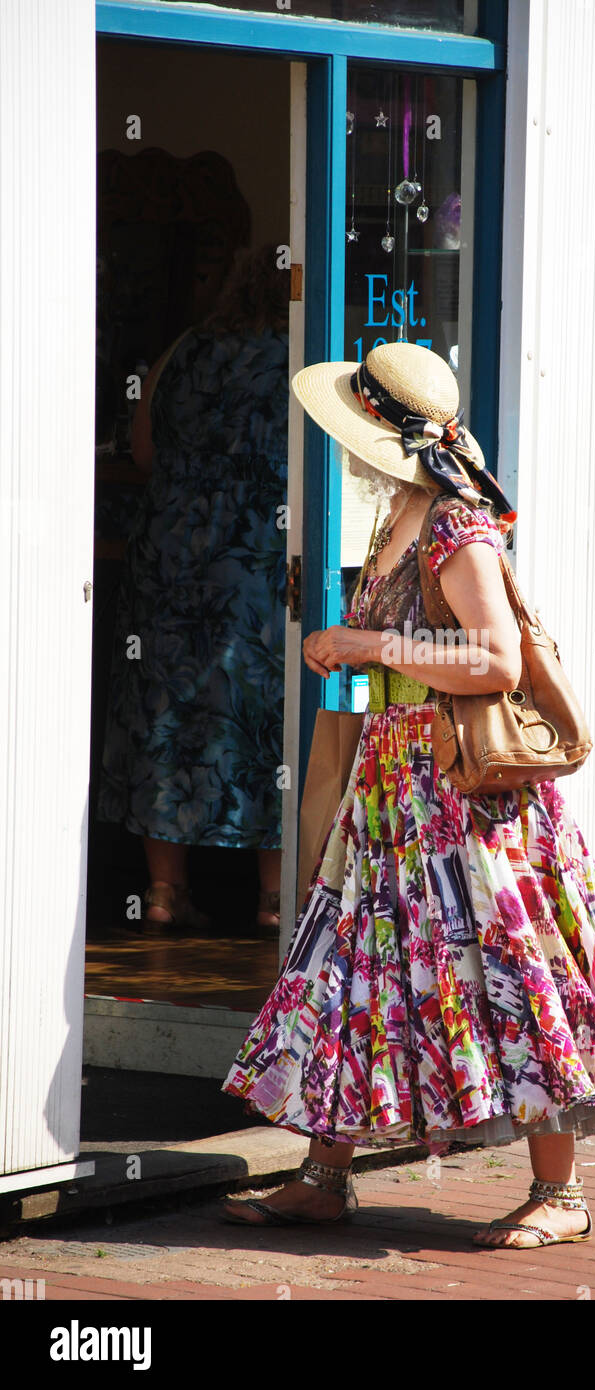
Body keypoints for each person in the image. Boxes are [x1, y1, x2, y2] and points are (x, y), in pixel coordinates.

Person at [221, 342, 595, 1248]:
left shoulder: (454, 524)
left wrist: (368, 648)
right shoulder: (405, 512)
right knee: (362, 967)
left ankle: (560, 1195)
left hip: (460, 799)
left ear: (376, 427)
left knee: (512, 973)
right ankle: (325, 1175)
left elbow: (496, 661)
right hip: (395, 795)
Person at [96, 245, 290, 934]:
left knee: (165, 717)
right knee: (265, 718)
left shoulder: (182, 348)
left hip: (172, 556)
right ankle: (273, 900)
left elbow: (144, 451)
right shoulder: (302, 357)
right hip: (257, 558)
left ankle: (161, 893)